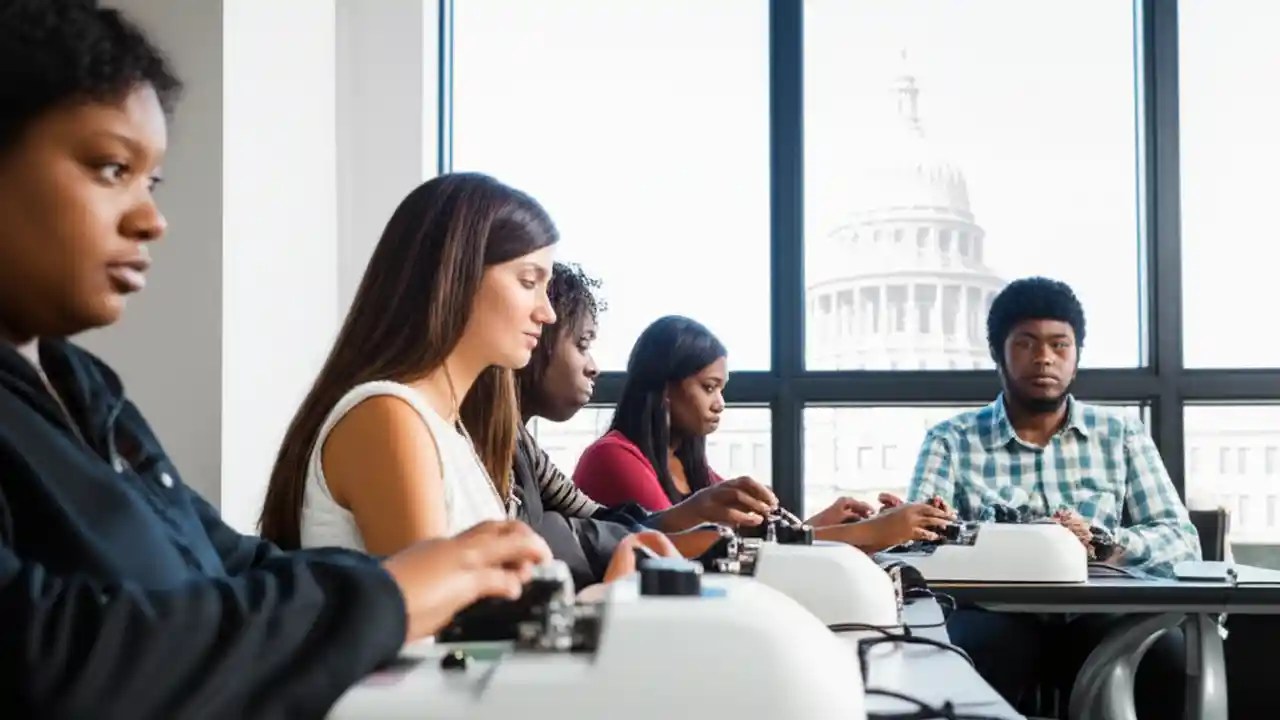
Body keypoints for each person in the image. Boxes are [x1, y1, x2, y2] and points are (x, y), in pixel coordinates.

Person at [0, 3, 550, 717]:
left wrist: (436, 573)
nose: (152, 219)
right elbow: (47, 654)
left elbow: (224, 562)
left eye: (152, 183)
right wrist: (385, 597)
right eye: (111, 168)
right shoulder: (389, 412)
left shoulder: (83, 387)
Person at [907, 276, 1200, 718]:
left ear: (1076, 356)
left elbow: (1181, 540)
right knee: (964, 653)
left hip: (1101, 618)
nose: (1044, 358)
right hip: (994, 616)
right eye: (1025, 344)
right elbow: (918, 549)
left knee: (1168, 658)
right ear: (998, 354)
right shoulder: (950, 440)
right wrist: (1000, 540)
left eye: (1059, 345)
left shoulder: (1121, 435)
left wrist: (1106, 544)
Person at [574, 315, 951, 551]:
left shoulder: (691, 468)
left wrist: (819, 526)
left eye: (721, 389)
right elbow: (698, 550)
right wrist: (871, 533)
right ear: (665, 389)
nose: (720, 403)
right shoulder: (613, 458)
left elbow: (761, 540)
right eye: (709, 387)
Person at [512, 263, 775, 586]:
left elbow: (600, 521)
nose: (593, 367)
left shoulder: (521, 446)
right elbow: (631, 539)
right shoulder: (612, 457)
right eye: (583, 345)